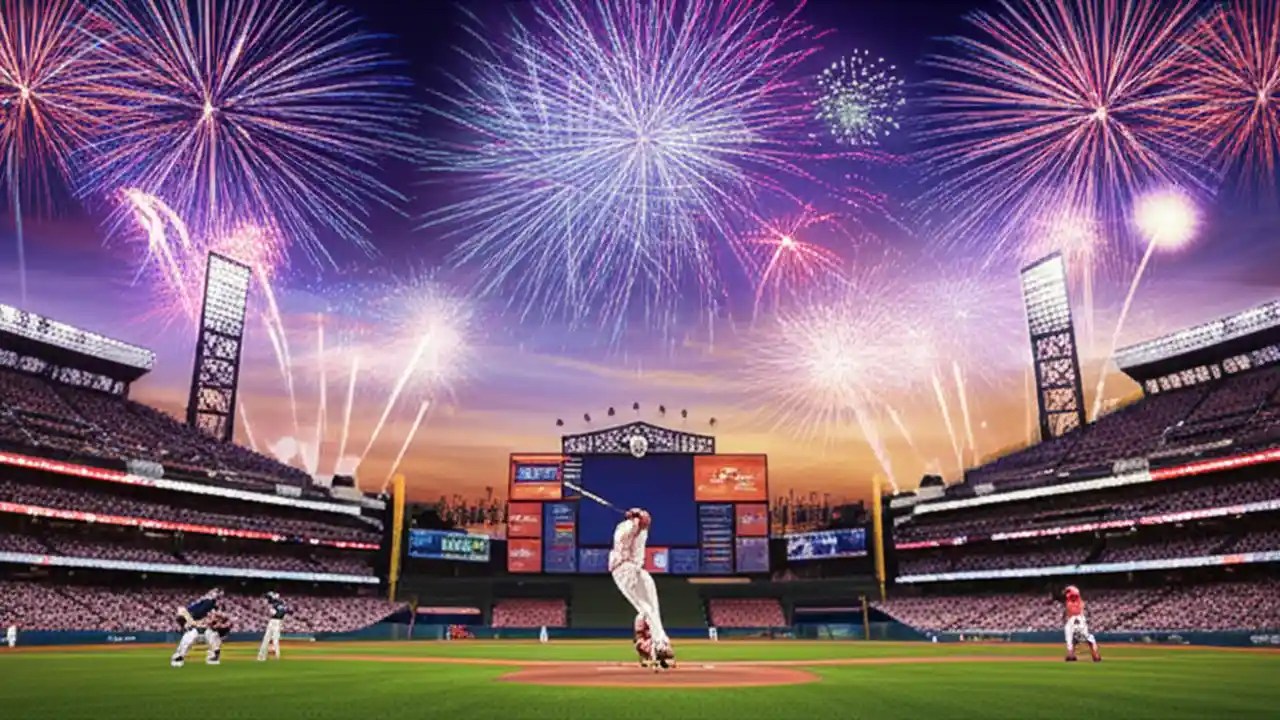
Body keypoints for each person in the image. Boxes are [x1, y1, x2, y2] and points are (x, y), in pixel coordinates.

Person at [609, 508, 674, 670]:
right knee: (645, 607)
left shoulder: (643, 530)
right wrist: (634, 523)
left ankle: (656, 642)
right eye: (645, 518)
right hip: (623, 568)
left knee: (651, 608)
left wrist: (639, 523)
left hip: (637, 570)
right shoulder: (624, 527)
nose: (647, 521)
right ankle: (655, 644)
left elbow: (636, 536)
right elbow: (623, 539)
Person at [171, 588, 224, 667]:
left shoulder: (212, 609)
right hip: (194, 629)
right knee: (187, 641)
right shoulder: (188, 611)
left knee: (214, 638)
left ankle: (214, 656)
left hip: (206, 629)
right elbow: (184, 616)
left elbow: (217, 620)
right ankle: (179, 656)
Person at [1063, 585, 1101, 662]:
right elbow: (1075, 593)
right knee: (1089, 639)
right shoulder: (1078, 601)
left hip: (1073, 621)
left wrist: (1067, 589)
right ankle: (1095, 655)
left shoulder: (1069, 602)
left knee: (1072, 640)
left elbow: (1071, 593)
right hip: (1078, 620)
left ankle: (1071, 655)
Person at [257, 591, 289, 661]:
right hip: (275, 621)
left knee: (272, 639)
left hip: (276, 621)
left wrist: (273, 611)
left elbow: (279, 613)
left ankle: (268, 656)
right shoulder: (278, 603)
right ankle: (263, 656)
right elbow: (283, 612)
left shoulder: (277, 604)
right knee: (268, 639)